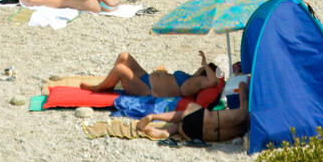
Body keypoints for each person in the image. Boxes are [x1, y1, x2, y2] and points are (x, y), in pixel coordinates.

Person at [139, 80, 250, 142]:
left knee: (187, 112)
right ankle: (167, 132)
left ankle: (153, 117)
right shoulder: (242, 130)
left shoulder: (241, 114)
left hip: (196, 122)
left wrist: (244, 84)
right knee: (180, 125)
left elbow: (241, 85)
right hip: (199, 135)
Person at [83, 49, 223, 98]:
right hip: (146, 78)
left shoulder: (194, 84)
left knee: (120, 68)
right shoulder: (192, 77)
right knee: (124, 56)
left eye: (202, 70)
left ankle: (98, 88)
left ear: (204, 73)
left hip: (147, 90)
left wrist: (205, 64)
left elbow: (214, 81)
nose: (199, 68)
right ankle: (111, 83)